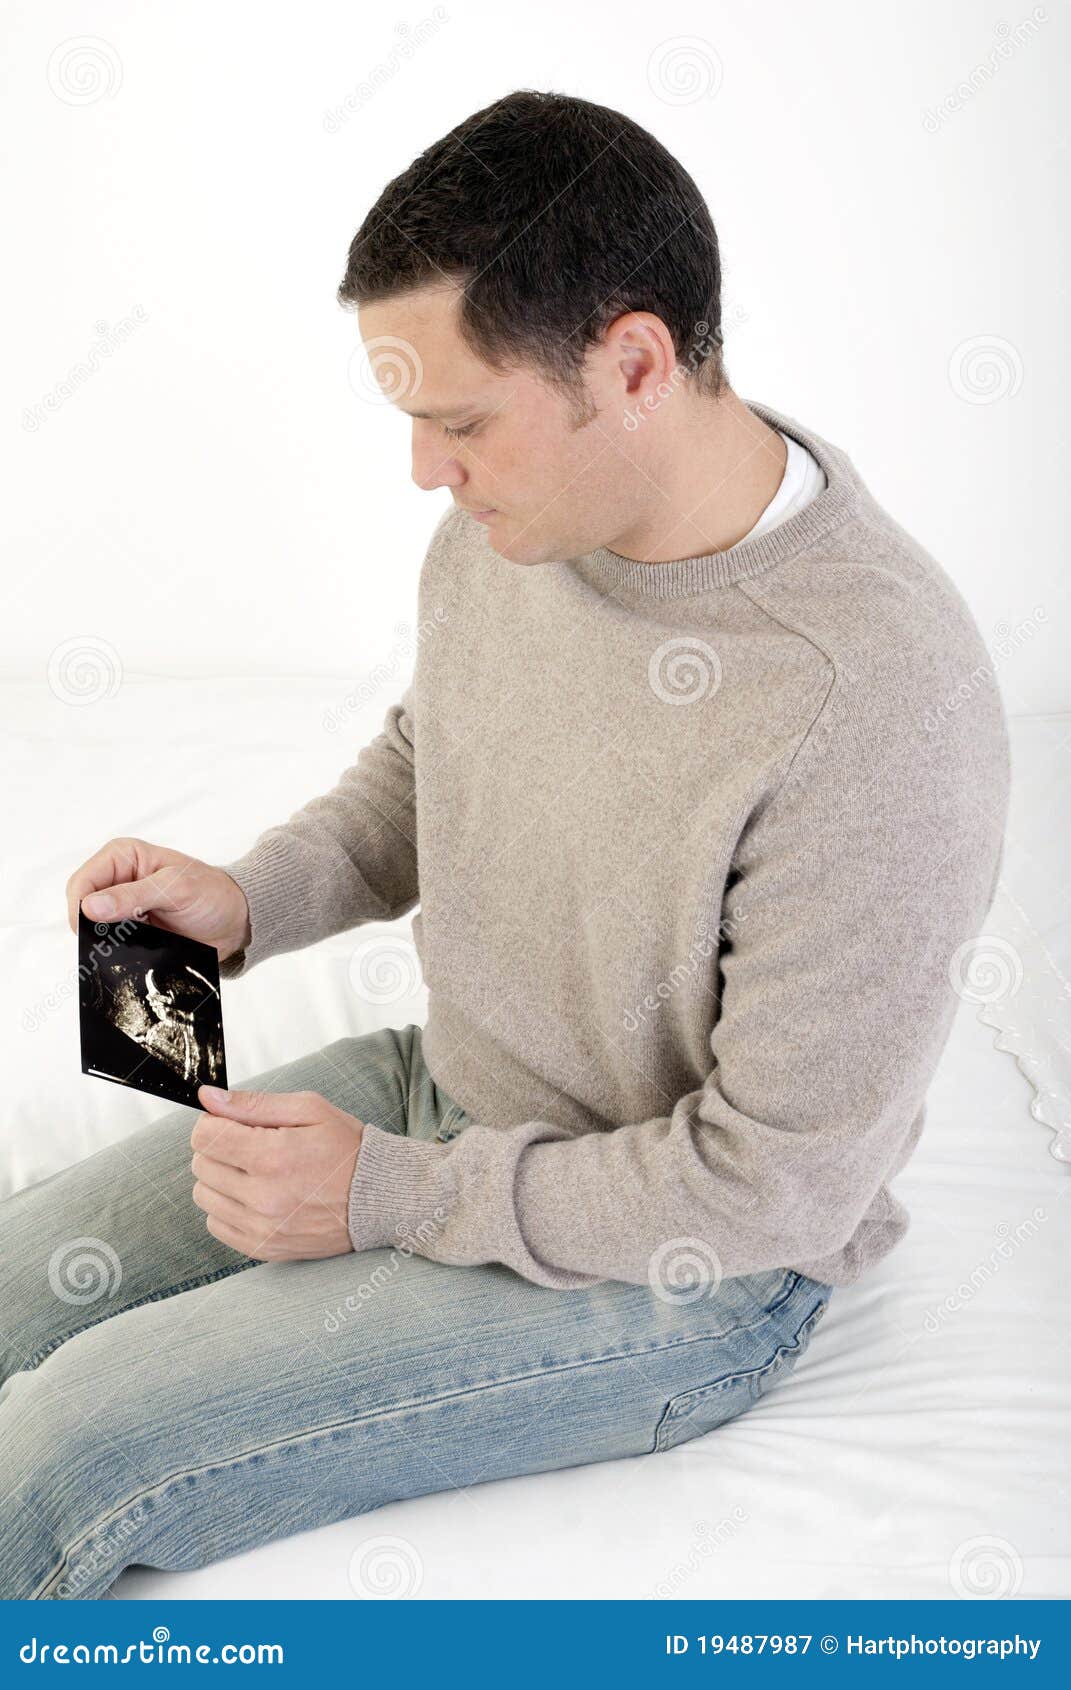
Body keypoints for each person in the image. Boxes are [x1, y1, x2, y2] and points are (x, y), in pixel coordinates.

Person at [0, 90, 1009, 1600]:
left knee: (56, 1446)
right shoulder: (512, 524)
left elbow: (775, 1189)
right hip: (448, 1092)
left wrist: (391, 1197)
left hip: (681, 1268)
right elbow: (431, 767)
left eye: (459, 419)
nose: (425, 471)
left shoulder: (874, 701)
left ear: (636, 362)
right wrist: (247, 900)